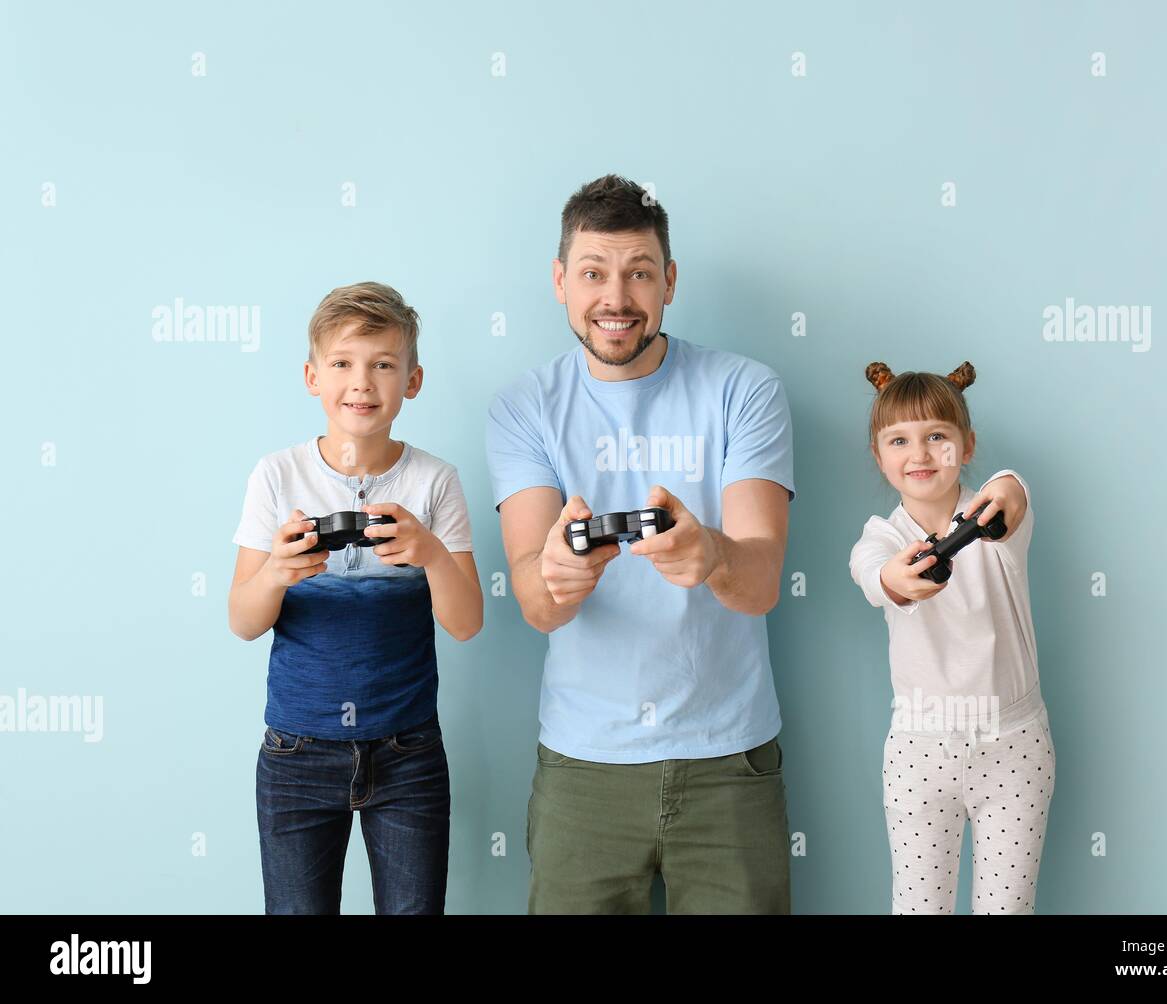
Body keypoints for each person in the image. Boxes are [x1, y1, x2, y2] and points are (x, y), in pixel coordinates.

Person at [486, 175, 796, 913]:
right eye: (593, 272)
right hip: (584, 768)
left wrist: (713, 555)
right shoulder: (524, 407)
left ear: (670, 282)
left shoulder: (744, 390)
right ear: (560, 281)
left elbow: (759, 583)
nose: (615, 298)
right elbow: (535, 603)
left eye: (639, 273)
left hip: (730, 761)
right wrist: (560, 571)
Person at [228, 281, 483, 914]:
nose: (361, 382)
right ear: (312, 376)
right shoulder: (276, 475)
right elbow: (242, 620)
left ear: (413, 380)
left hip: (408, 753)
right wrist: (278, 572)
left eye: (383, 364)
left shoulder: (434, 481)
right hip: (295, 754)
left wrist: (430, 554)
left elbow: (467, 622)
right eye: (342, 363)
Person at [849, 360, 1054, 914]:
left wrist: (1009, 487)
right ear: (879, 454)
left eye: (937, 437)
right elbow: (875, 574)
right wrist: (896, 577)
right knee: (917, 908)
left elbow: (1010, 490)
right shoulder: (880, 538)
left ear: (966, 445)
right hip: (920, 751)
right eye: (899, 440)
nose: (919, 454)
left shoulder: (995, 522)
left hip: (1014, 745)